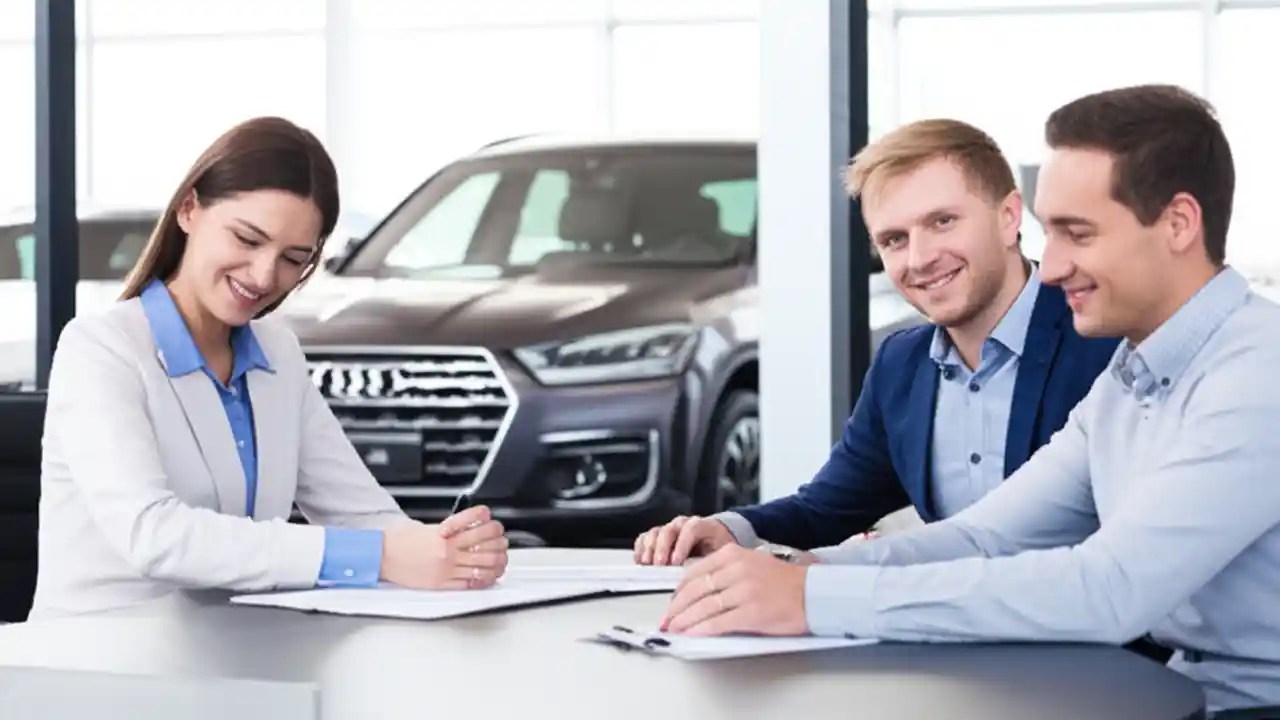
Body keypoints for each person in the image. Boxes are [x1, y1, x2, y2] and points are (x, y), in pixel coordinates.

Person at [658, 84, 1280, 714]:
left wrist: (809, 600)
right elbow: (985, 537)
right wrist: (799, 574)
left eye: (1077, 234)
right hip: (1171, 696)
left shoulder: (1259, 372)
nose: (1055, 266)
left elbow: (1110, 588)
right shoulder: (1133, 371)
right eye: (1051, 232)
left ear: (1178, 224)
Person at [32, 117, 509, 619]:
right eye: (247, 239)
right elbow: (153, 535)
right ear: (189, 209)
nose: (264, 276)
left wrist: (449, 548)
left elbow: (361, 513)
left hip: (235, 656)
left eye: (293, 258)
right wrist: (382, 555)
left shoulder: (278, 353)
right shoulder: (101, 347)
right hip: (99, 663)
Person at [634, 118, 1118, 566]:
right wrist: (728, 529)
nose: (921, 257)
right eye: (894, 240)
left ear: (1009, 217)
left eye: (942, 222)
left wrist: (856, 564)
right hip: (953, 642)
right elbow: (827, 508)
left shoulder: (1104, 340)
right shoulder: (901, 364)